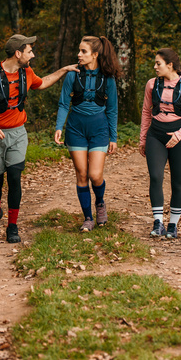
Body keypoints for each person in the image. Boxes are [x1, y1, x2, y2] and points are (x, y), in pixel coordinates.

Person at [0, 34, 76, 243]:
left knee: (15, 178)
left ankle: (12, 225)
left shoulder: (26, 72)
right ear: (18, 54)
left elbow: (43, 83)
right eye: (29, 51)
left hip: (18, 133)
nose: (32, 55)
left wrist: (64, 70)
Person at [54, 36, 121, 232]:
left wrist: (113, 137)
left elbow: (112, 109)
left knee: (95, 174)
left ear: (95, 55)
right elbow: (64, 103)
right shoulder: (73, 75)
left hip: (99, 129)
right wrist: (59, 126)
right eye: (79, 51)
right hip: (76, 129)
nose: (79, 55)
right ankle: (88, 218)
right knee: (82, 174)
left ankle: (100, 203)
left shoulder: (108, 78)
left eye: (83, 51)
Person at [139, 48, 181, 239]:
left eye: (158, 63)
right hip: (155, 135)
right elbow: (146, 112)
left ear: (170, 65)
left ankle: (172, 225)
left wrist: (179, 134)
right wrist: (143, 139)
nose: (155, 67)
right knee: (155, 176)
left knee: (177, 182)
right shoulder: (151, 85)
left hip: (180, 137)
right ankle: (158, 223)